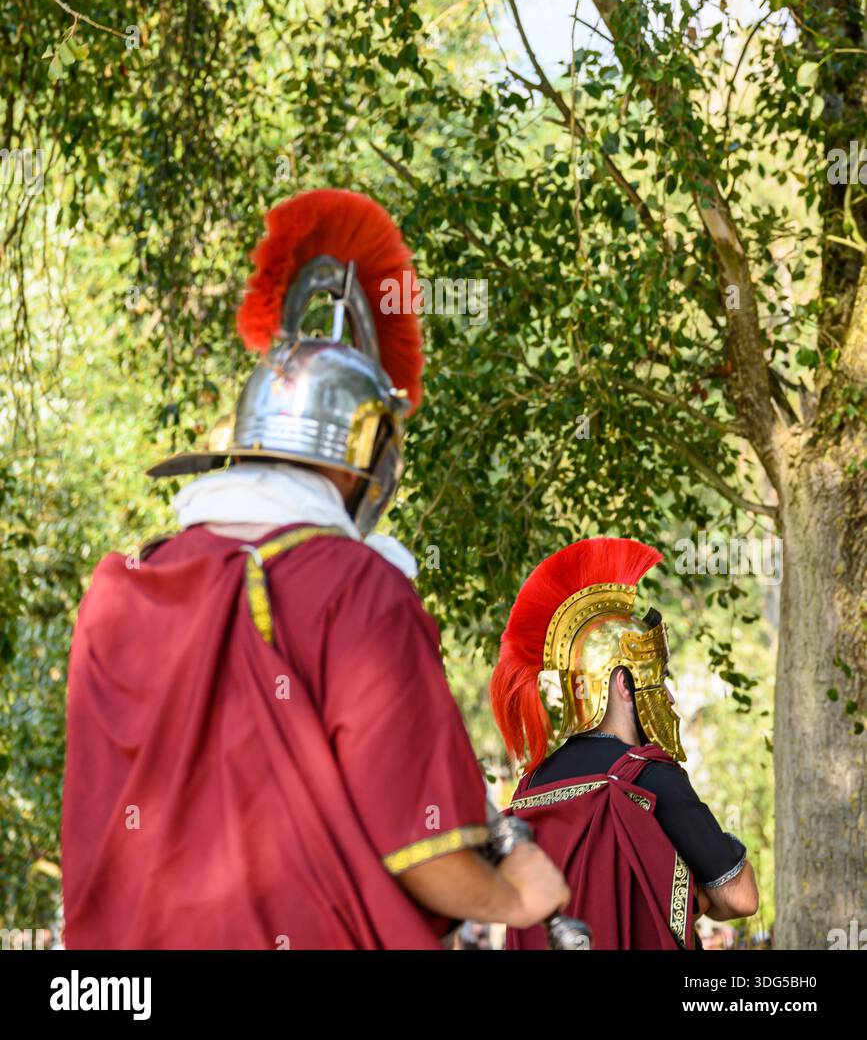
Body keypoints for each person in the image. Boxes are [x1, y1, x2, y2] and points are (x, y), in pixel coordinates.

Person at [62, 188, 568, 950]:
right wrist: (517, 896)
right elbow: (419, 849)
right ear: (363, 460)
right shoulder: (354, 588)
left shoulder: (123, 589)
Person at [490, 536, 759, 950]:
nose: (669, 696)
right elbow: (741, 897)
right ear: (622, 683)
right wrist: (698, 894)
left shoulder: (530, 789)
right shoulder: (649, 777)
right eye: (660, 678)